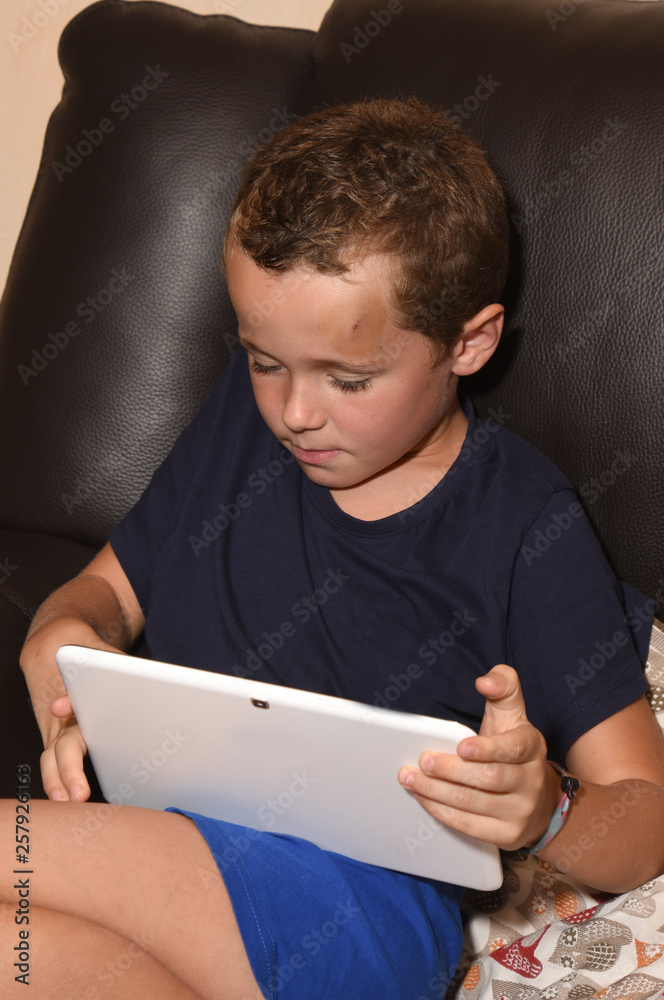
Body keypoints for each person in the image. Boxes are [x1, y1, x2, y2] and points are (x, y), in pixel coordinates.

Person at [6, 97, 664, 1000]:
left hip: (357, 904)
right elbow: (103, 596)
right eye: (264, 360)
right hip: (171, 839)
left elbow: (646, 819)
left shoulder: (524, 522)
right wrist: (59, 641)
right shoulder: (242, 424)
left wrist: (546, 808)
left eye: (349, 379)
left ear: (469, 342)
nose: (294, 412)